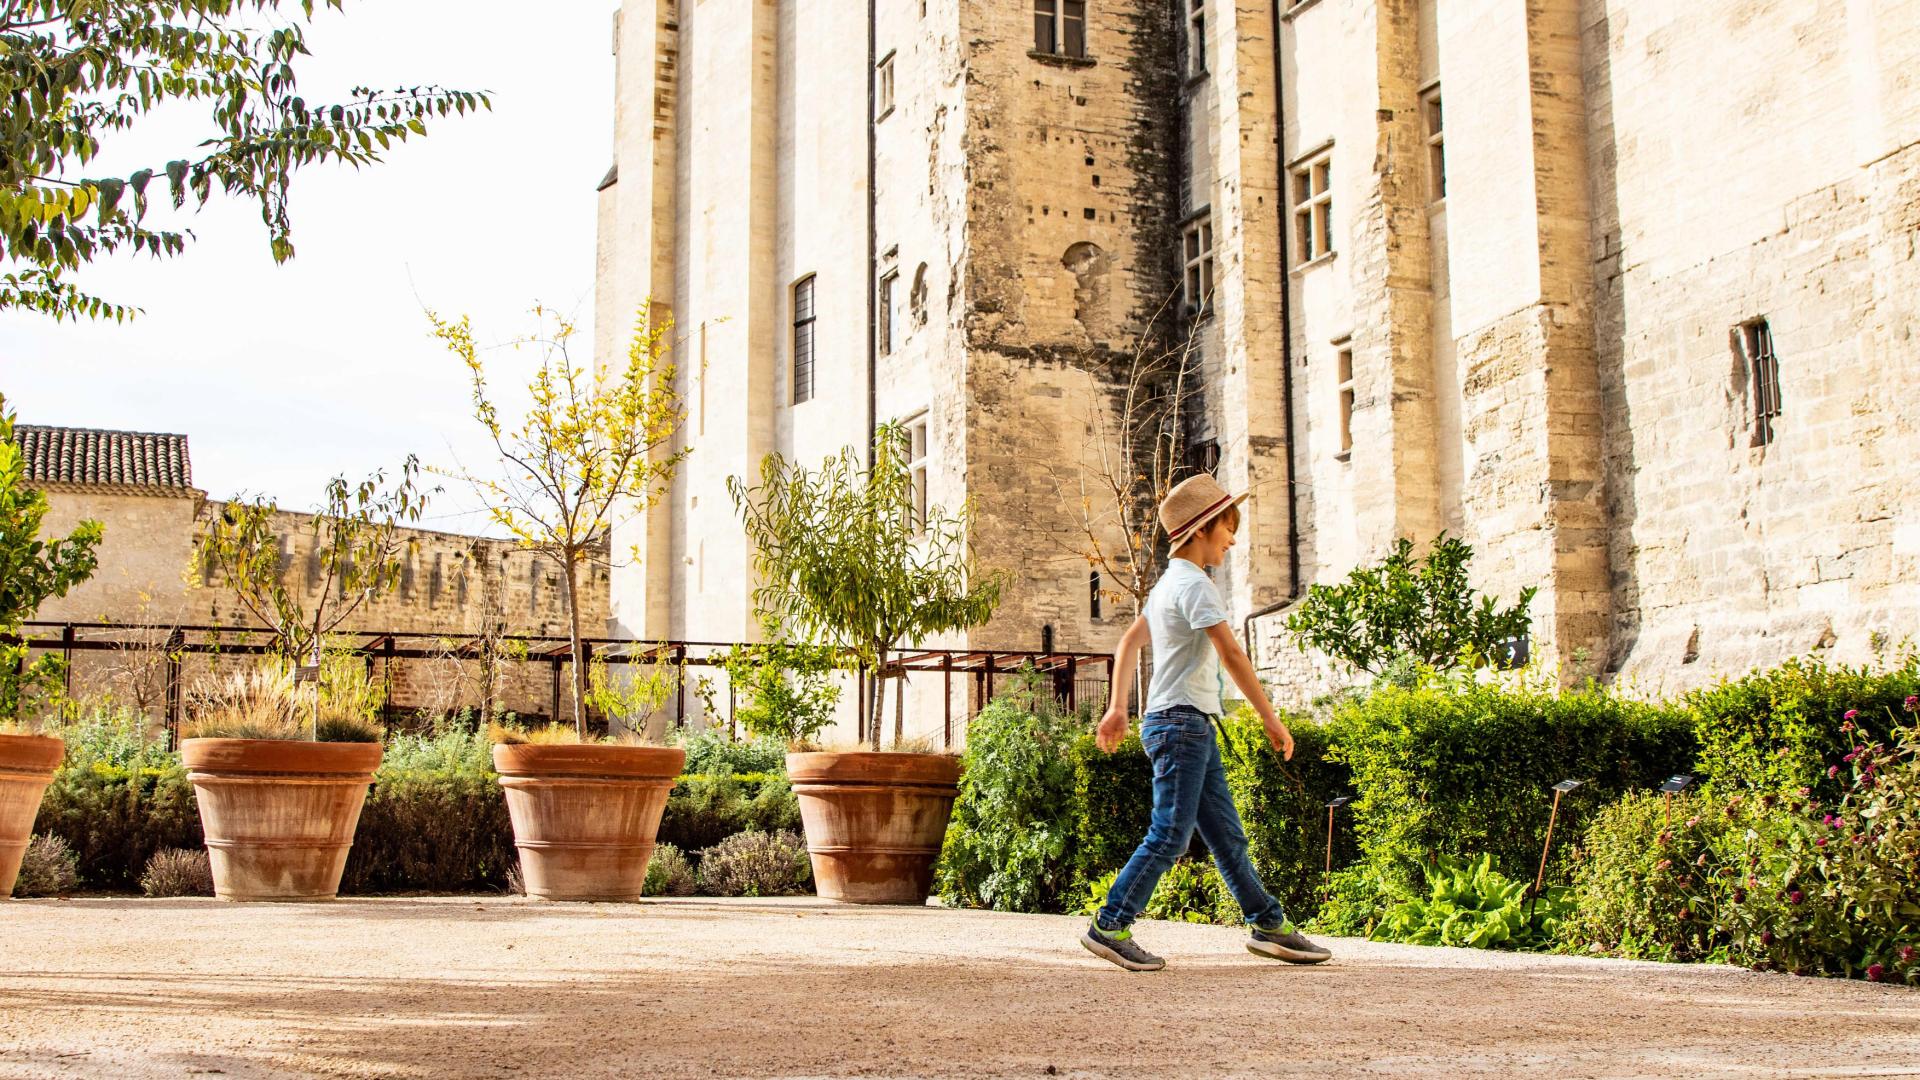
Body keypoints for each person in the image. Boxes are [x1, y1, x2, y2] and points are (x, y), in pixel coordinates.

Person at [1081, 473, 1333, 972]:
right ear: (1200, 530)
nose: (1233, 539)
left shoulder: (1167, 586)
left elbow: (1129, 643)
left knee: (1226, 836)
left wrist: (1118, 707)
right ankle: (1109, 925)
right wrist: (1271, 719)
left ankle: (1267, 924)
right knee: (1170, 833)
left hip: (1182, 723)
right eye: (1227, 527)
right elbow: (1232, 652)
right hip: (1182, 726)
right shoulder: (1194, 586)